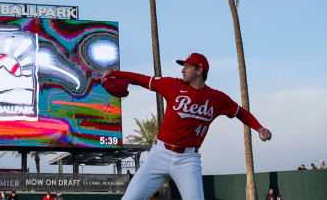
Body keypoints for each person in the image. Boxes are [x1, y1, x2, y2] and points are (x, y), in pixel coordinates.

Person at [102, 52, 272, 200]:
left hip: (188, 160)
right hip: (159, 154)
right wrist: (115, 73)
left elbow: (240, 112)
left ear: (199, 70)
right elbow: (141, 79)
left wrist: (259, 128)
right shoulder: (172, 85)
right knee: (130, 198)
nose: (183, 70)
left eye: (187, 66)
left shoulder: (216, 98)